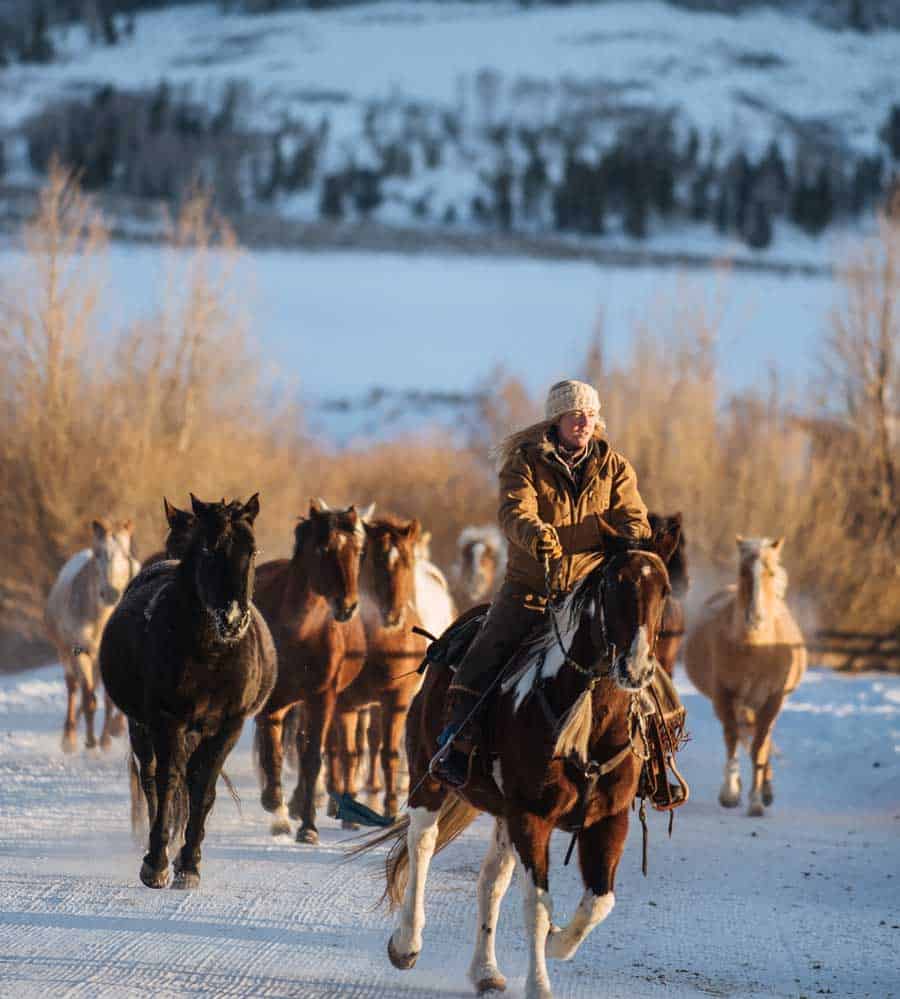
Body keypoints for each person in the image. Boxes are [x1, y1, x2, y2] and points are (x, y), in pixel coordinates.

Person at [431, 378, 651, 788]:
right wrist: (534, 534)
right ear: (557, 419)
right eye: (575, 415)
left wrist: (632, 537)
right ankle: (458, 746)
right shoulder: (524, 462)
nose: (584, 422)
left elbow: (633, 515)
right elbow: (515, 511)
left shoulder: (615, 467)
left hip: (590, 594)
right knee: (484, 655)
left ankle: (655, 760)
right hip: (530, 591)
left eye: (590, 415)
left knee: (640, 658)